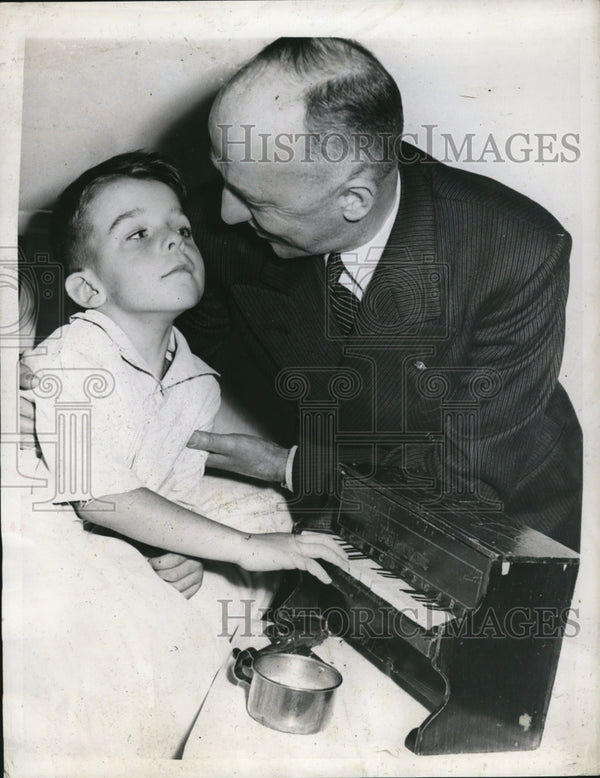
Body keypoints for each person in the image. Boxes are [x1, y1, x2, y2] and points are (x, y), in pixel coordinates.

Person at [178, 37, 583, 551]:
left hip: (497, 514)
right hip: (331, 495)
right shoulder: (216, 226)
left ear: (353, 200)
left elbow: (464, 485)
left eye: (254, 202)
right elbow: (185, 349)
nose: (225, 216)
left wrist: (290, 465)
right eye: (223, 178)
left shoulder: (517, 254)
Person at [12, 150, 348, 758]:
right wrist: (245, 548)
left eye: (182, 228)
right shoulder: (72, 359)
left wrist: (171, 544)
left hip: (119, 537)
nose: (174, 242)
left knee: (246, 532)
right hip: (47, 543)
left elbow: (166, 490)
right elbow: (103, 496)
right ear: (89, 288)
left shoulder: (194, 376)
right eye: (138, 233)